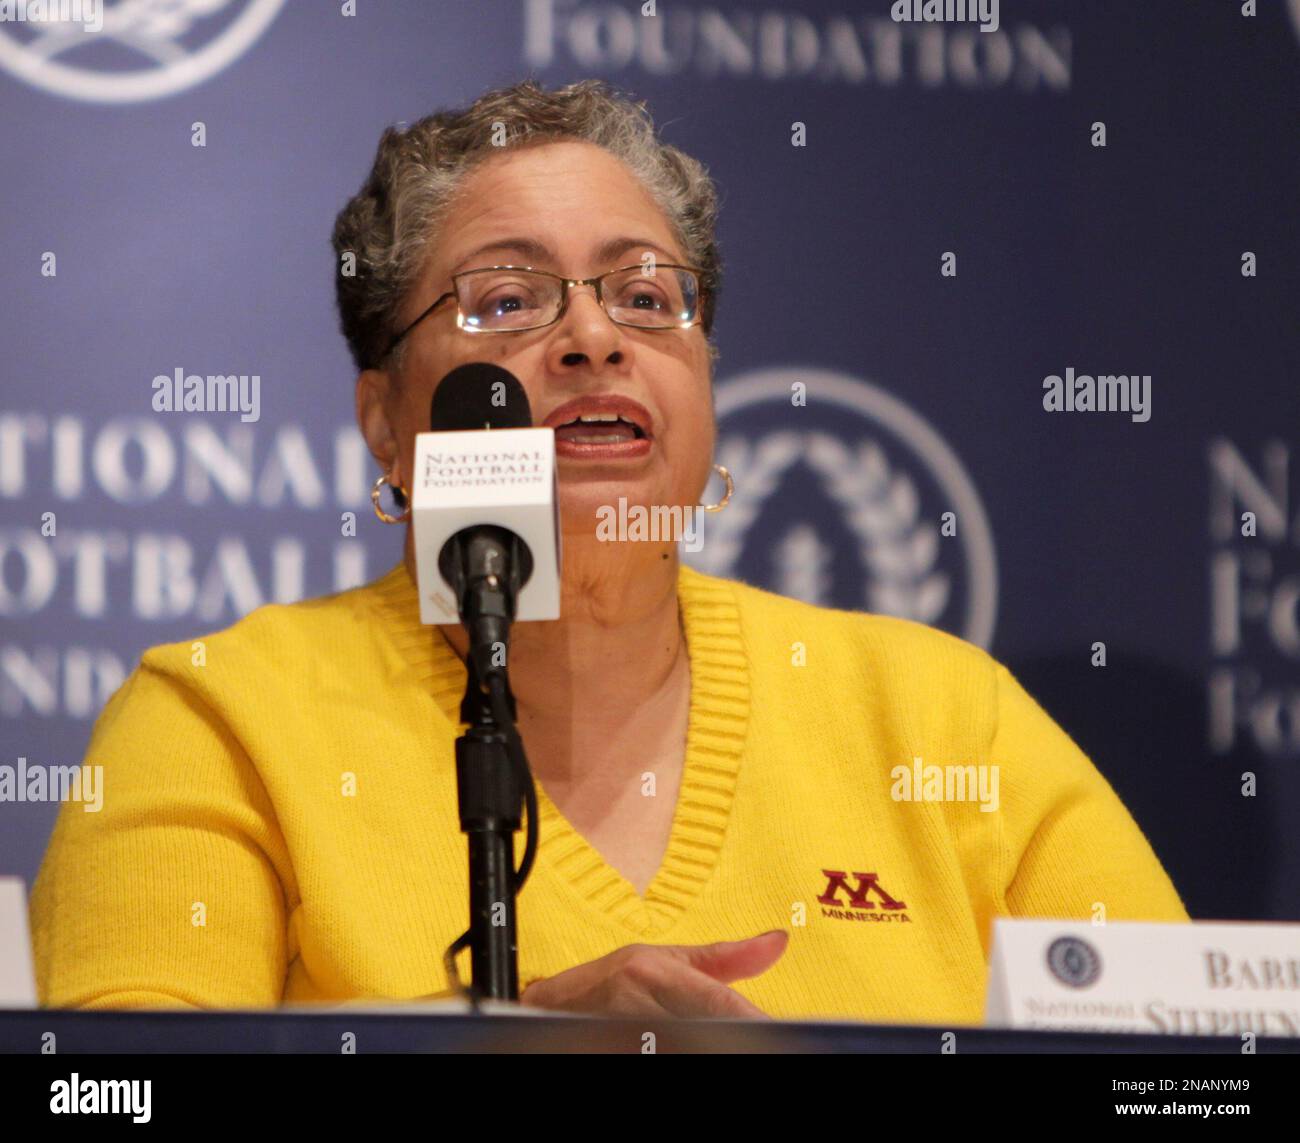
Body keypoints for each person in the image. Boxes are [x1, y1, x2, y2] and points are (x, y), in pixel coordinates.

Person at [30, 79, 1187, 1022]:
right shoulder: (222, 724)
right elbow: (111, 1098)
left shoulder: (942, 720)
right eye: (506, 300)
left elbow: (1185, 1083)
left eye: (646, 295)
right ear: (385, 420)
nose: (593, 337)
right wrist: (502, 1047)